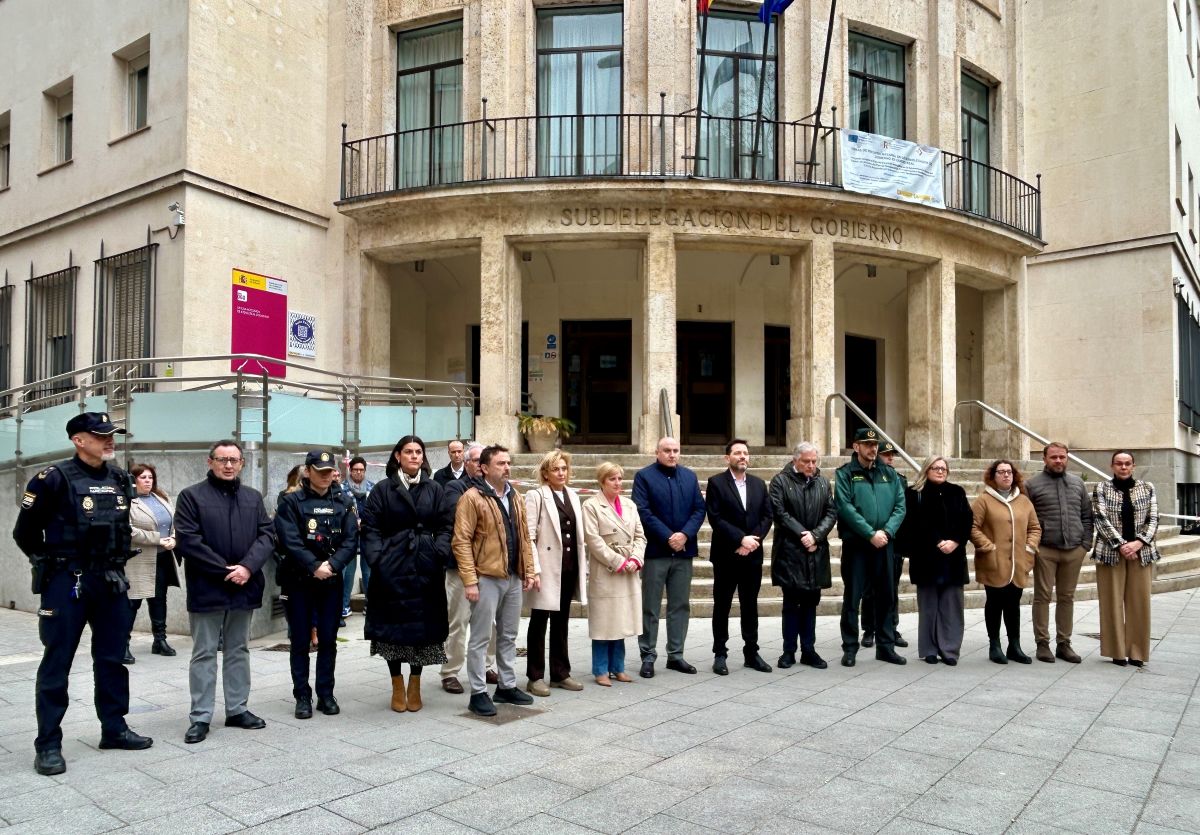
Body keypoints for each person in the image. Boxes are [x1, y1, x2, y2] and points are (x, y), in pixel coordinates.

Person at [13, 412, 153, 776]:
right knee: (57, 662)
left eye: (112, 435)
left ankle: (114, 728)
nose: (110, 441)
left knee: (111, 659)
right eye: (101, 435)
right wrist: (52, 564)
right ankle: (48, 744)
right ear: (79, 440)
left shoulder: (120, 478)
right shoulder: (53, 479)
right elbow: (24, 533)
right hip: (68, 580)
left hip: (110, 579)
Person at [174, 440, 275, 743]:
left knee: (238, 649)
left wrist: (247, 567)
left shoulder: (253, 498)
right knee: (204, 652)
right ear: (210, 462)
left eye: (234, 460)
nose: (228, 465)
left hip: (244, 585)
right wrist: (226, 571)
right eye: (222, 460)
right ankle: (201, 716)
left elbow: (267, 535)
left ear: (242, 463)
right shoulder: (191, 497)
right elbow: (189, 541)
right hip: (208, 587)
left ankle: (237, 709)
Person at [362, 435, 453, 712]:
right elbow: (370, 528)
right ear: (398, 456)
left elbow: (447, 525)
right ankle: (396, 683)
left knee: (421, 628)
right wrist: (378, 559)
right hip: (392, 564)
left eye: (419, 452)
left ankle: (415, 682)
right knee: (393, 628)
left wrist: (437, 551)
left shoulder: (434, 488)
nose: (414, 456)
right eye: (409, 452)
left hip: (425, 565)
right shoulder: (382, 489)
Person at [452, 445, 539, 717]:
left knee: (509, 634)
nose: (507, 467)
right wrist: (469, 580)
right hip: (486, 577)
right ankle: (478, 692)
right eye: (501, 463)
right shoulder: (472, 497)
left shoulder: (515, 496)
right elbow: (461, 541)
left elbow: (524, 536)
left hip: (512, 576)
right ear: (485, 468)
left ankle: (506, 685)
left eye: (508, 462)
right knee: (480, 637)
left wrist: (529, 570)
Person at [274, 450, 358, 718]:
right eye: (319, 471)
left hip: (331, 580)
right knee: (300, 640)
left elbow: (350, 540)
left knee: (329, 640)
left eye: (329, 471)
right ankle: (302, 695)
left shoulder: (344, 502)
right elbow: (289, 540)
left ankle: (325, 693)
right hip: (299, 580)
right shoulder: (291, 502)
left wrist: (332, 566)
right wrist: (313, 566)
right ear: (307, 471)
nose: (325, 476)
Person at [632, 436, 706, 678]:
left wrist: (684, 535)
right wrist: (668, 536)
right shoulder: (644, 477)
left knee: (680, 605)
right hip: (655, 552)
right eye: (667, 450)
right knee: (650, 606)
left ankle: (676, 655)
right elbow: (642, 511)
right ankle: (648, 655)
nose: (672, 454)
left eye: (675, 450)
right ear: (657, 452)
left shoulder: (689, 476)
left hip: (684, 552)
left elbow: (698, 509)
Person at [835, 428, 907, 667]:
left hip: (884, 544)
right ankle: (850, 648)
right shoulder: (845, 474)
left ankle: (885, 647)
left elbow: (900, 506)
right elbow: (845, 508)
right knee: (853, 597)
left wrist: (886, 532)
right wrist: (869, 534)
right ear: (856, 447)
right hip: (857, 545)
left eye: (875, 444)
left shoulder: (889, 473)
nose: (872, 448)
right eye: (867, 444)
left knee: (886, 595)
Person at [705, 439, 773, 675]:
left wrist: (752, 541)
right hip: (726, 555)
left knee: (750, 606)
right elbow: (715, 517)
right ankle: (720, 654)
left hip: (752, 556)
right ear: (728, 458)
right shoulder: (716, 483)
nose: (742, 456)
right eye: (737, 453)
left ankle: (751, 652)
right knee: (722, 605)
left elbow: (767, 516)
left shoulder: (758, 484)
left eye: (745, 453)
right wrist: (739, 539)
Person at [524, 449, 588, 695]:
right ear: (546, 473)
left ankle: (561, 673)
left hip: (569, 567)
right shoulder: (536, 495)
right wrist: (534, 569)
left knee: (562, 622)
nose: (561, 473)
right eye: (556, 469)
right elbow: (529, 536)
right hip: (547, 568)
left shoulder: (573, 494)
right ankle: (535, 676)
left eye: (564, 468)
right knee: (539, 622)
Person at [768, 441, 837, 669]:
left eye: (814, 461)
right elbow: (779, 512)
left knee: (810, 602)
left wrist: (815, 536)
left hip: (814, 552)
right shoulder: (781, 481)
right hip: (790, 552)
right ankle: (788, 651)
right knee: (791, 603)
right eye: (806, 461)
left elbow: (831, 512)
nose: (811, 466)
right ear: (795, 460)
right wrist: (802, 535)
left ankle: (809, 650)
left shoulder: (822, 482)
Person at [1024, 442, 1094, 664]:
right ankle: (1042, 643)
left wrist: (1085, 544)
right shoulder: (1032, 485)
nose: (1058, 461)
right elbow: (1027, 519)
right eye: (1053, 457)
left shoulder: (1077, 484)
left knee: (1067, 597)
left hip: (1074, 549)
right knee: (1042, 596)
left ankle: (1064, 643)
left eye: (1062, 457)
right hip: (1045, 549)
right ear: (1044, 459)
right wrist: (1033, 546)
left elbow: (1087, 515)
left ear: (1067, 458)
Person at [899, 456, 972, 665]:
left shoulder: (957, 492)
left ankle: (949, 650)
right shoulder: (914, 493)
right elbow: (913, 523)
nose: (940, 471)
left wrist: (955, 541)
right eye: (935, 468)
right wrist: (938, 541)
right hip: (926, 556)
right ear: (926, 469)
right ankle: (929, 649)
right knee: (929, 605)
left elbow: (967, 520)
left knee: (951, 605)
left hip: (953, 557)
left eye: (943, 468)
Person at [438, 442, 499, 693]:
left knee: (488, 622)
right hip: (460, 568)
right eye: (473, 460)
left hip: (488, 566)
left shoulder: (495, 489)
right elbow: (462, 520)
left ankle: (486, 665)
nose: (477, 464)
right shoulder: (455, 487)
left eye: (481, 460)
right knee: (458, 621)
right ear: (468, 463)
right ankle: (450, 671)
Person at [1092, 451, 1159, 667]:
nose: (1123, 467)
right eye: (1119, 463)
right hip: (1111, 553)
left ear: (1133, 466)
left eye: (1127, 463)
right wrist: (1121, 544)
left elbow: (1154, 518)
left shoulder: (1147, 488)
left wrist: (1139, 542)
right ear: (1112, 466)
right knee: (1111, 602)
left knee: (1140, 603)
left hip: (1142, 553)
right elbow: (1100, 518)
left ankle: (1137, 651)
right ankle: (1117, 651)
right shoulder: (1101, 488)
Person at [970, 459, 1042, 665]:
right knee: (994, 603)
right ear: (993, 476)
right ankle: (994, 644)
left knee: (1013, 604)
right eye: (1001, 472)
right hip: (994, 562)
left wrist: (1029, 547)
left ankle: (1014, 645)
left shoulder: (1024, 501)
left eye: (1009, 472)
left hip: (1018, 563)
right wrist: (988, 546)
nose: (1006, 475)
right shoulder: (984, 500)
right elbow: (973, 527)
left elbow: (1035, 528)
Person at [582, 462, 646, 686]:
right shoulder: (591, 506)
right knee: (603, 622)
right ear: (602, 481)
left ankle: (618, 667)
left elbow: (640, 536)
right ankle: (600, 670)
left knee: (621, 620)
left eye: (620, 478)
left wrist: (636, 559)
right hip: (607, 571)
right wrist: (618, 561)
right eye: (612, 479)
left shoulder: (629, 505)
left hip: (629, 571)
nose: (618, 483)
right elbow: (593, 540)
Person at [127, 463, 181, 659]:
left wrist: (174, 538)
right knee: (133, 602)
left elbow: (175, 522)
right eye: (143, 477)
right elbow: (128, 530)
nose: (148, 481)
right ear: (134, 480)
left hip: (162, 558)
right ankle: (123, 643)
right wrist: (158, 539)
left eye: (150, 477)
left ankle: (160, 640)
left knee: (159, 600)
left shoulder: (161, 497)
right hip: (139, 559)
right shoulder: (128, 501)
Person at [861, 441, 909, 650]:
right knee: (869, 588)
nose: (890, 458)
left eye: (892, 455)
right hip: (871, 540)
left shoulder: (899, 480)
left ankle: (891, 626)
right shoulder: (866, 476)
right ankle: (869, 628)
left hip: (893, 542)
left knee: (892, 588)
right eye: (886, 454)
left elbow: (903, 510)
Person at [340, 455, 375, 623]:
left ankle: (371, 603)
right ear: (350, 471)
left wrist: (366, 522)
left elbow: (377, 511)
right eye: (355, 470)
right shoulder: (342, 489)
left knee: (368, 570)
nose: (358, 473)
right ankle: (344, 605)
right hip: (349, 535)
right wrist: (354, 522)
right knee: (349, 570)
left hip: (368, 535)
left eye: (361, 470)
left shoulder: (372, 488)